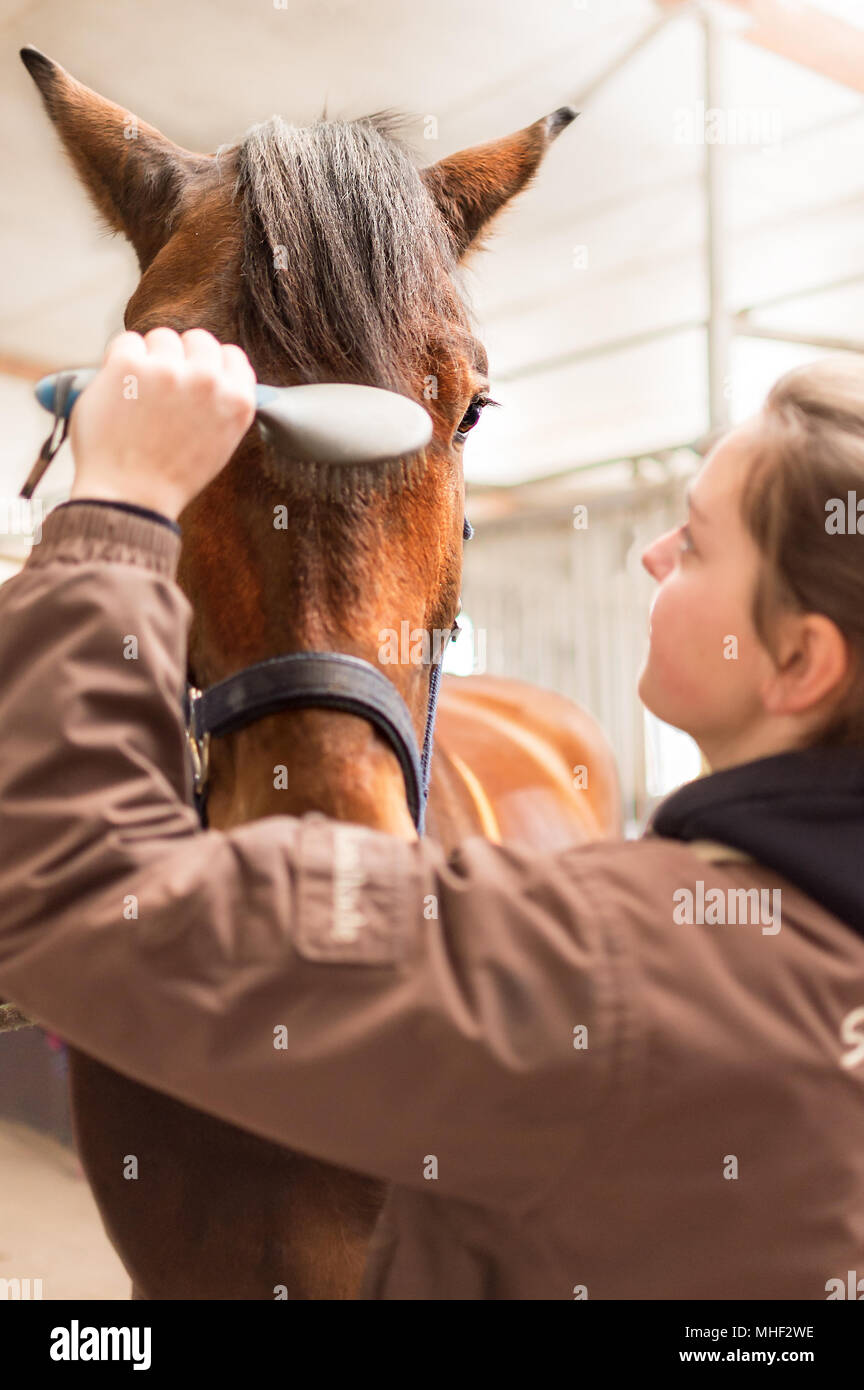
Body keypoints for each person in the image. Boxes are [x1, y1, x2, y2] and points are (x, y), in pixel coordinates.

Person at [0, 327, 862, 1301]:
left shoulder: (609, 973)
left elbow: (84, 891)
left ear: (799, 663)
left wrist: (122, 499)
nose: (653, 552)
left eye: (698, 542)